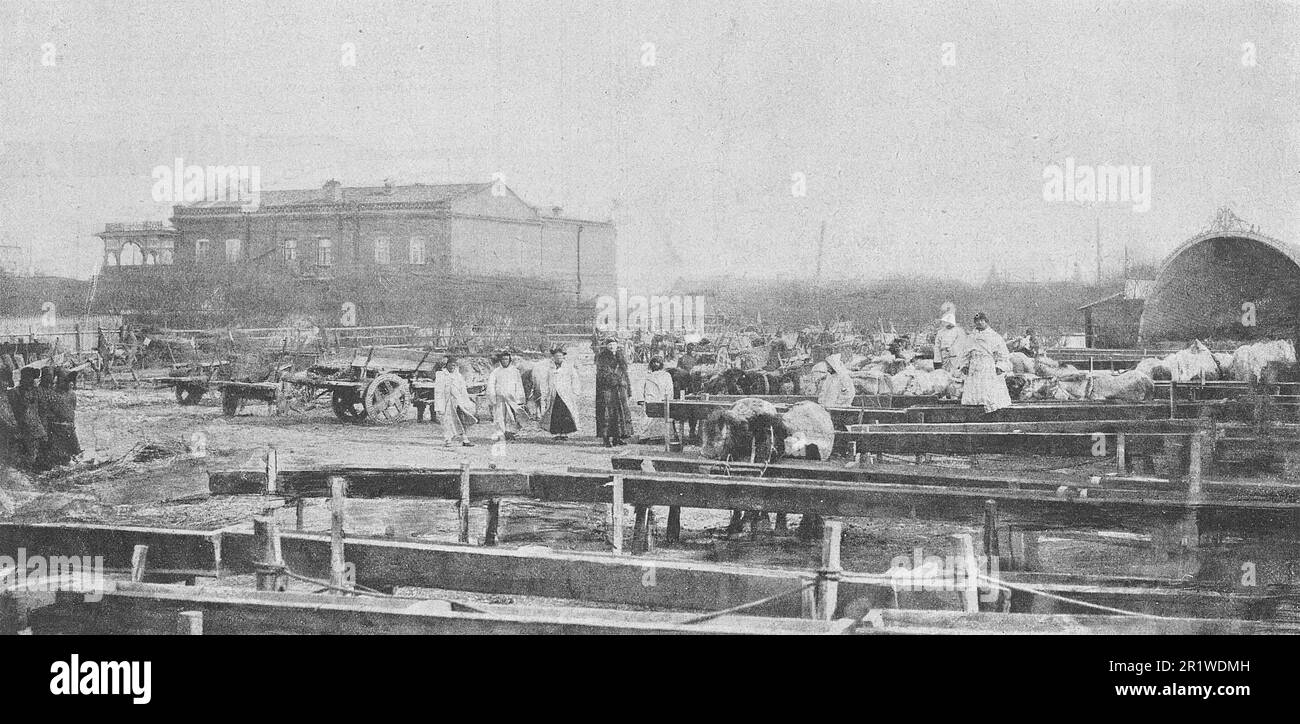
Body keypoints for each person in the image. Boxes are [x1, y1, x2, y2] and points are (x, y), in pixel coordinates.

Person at [958, 312, 1013, 413]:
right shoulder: (971, 337)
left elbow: (1003, 354)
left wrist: (1000, 366)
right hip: (974, 365)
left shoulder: (995, 336)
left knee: (989, 391)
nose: (979, 323)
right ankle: (974, 408)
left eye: (982, 320)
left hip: (987, 365)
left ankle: (990, 411)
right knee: (974, 391)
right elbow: (965, 353)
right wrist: (965, 365)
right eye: (977, 321)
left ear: (986, 322)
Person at [7, 367, 48, 470]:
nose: (30, 381)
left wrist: (44, 430)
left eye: (32, 378)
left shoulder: (37, 391)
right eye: (28, 378)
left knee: (36, 457)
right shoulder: (14, 393)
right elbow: (13, 413)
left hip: (36, 429)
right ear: (23, 378)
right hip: (23, 429)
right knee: (27, 457)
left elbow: (41, 412)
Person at [594, 337, 633, 447]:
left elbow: (625, 373)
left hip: (620, 389)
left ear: (617, 345)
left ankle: (618, 437)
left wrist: (628, 388)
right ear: (606, 346)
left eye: (613, 344)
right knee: (607, 413)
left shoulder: (621, 356)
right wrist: (615, 380)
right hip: (607, 389)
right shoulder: (602, 357)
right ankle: (606, 439)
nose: (611, 346)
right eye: (609, 344)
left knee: (619, 413)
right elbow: (603, 373)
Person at [536, 345, 580, 440]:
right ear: (553, 357)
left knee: (566, 413)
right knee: (555, 414)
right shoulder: (550, 369)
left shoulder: (568, 367)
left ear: (563, 357)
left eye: (560, 356)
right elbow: (545, 381)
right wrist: (545, 393)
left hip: (566, 393)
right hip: (554, 394)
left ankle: (565, 433)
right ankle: (557, 433)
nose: (558, 358)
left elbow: (575, 379)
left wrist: (575, 392)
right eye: (556, 356)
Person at [432, 357, 476, 446]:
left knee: (461, 420)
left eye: (454, 365)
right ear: (446, 365)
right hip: (447, 402)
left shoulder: (458, 376)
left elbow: (463, 390)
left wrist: (465, 401)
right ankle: (448, 440)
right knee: (447, 421)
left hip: (458, 401)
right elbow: (438, 391)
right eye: (450, 365)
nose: (452, 367)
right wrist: (439, 406)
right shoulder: (441, 375)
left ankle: (465, 440)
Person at [43, 367, 81, 467]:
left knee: (73, 452)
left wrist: (72, 425)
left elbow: (71, 411)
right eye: (65, 381)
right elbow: (47, 412)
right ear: (59, 381)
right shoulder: (51, 393)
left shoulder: (72, 394)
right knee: (58, 454)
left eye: (70, 381)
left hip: (68, 426)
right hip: (56, 427)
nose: (69, 384)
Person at [486, 350, 525, 441]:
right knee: (500, 416)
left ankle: (510, 432)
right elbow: (491, 384)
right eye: (503, 359)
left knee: (511, 416)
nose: (505, 361)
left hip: (511, 398)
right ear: (500, 360)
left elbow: (519, 385)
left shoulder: (515, 371)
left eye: (506, 359)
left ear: (509, 360)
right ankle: (501, 433)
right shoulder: (495, 372)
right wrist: (492, 397)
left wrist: (520, 398)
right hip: (500, 398)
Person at [637, 357, 675, 443]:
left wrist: (669, 399)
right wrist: (641, 400)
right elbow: (640, 388)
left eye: (658, 362)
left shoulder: (666, 375)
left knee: (662, 418)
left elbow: (669, 389)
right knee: (647, 419)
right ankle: (644, 436)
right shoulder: (646, 375)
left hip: (661, 400)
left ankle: (662, 436)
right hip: (650, 400)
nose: (656, 364)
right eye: (654, 362)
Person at [933, 309, 965, 373]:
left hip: (955, 358)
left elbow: (960, 343)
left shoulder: (959, 331)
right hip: (943, 357)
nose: (947, 323)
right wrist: (937, 360)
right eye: (946, 321)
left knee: (954, 374)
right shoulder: (941, 332)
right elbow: (937, 346)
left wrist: (951, 350)